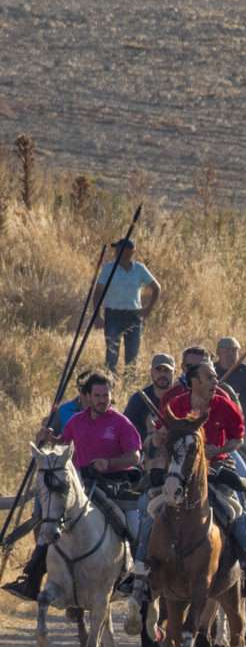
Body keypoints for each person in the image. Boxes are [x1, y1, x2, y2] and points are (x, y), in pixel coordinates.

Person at [7, 372, 145, 601]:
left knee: (132, 526)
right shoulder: (76, 421)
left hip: (116, 485)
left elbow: (135, 456)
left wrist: (108, 463)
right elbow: (64, 442)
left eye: (106, 395)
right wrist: (50, 437)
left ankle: (136, 577)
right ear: (88, 397)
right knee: (50, 520)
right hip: (83, 483)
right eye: (97, 395)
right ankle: (32, 578)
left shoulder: (120, 422)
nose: (102, 399)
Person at [154, 359, 246, 590]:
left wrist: (219, 449)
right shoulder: (176, 405)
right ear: (194, 381)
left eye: (214, 377)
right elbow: (162, 434)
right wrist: (160, 437)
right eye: (209, 377)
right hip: (181, 471)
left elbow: (238, 439)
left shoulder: (224, 404)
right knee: (153, 508)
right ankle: (142, 569)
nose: (215, 381)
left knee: (237, 510)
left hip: (218, 467)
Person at [94, 238, 161, 374]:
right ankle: (109, 385)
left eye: (120, 250)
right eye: (116, 249)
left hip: (133, 316)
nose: (116, 252)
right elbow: (98, 292)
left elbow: (156, 288)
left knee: (132, 357)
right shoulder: (109, 268)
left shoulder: (139, 269)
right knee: (111, 357)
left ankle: (129, 387)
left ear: (130, 252)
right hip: (113, 315)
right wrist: (97, 315)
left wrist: (148, 309)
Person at [216, 337, 246, 442]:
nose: (230, 354)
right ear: (218, 352)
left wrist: (240, 419)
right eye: (226, 350)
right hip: (216, 427)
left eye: (234, 350)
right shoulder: (211, 371)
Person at [124, 353, 176, 438]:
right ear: (151, 372)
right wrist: (150, 434)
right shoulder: (138, 399)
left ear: (174, 373)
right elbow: (126, 429)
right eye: (158, 370)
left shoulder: (182, 397)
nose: (162, 374)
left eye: (167, 370)